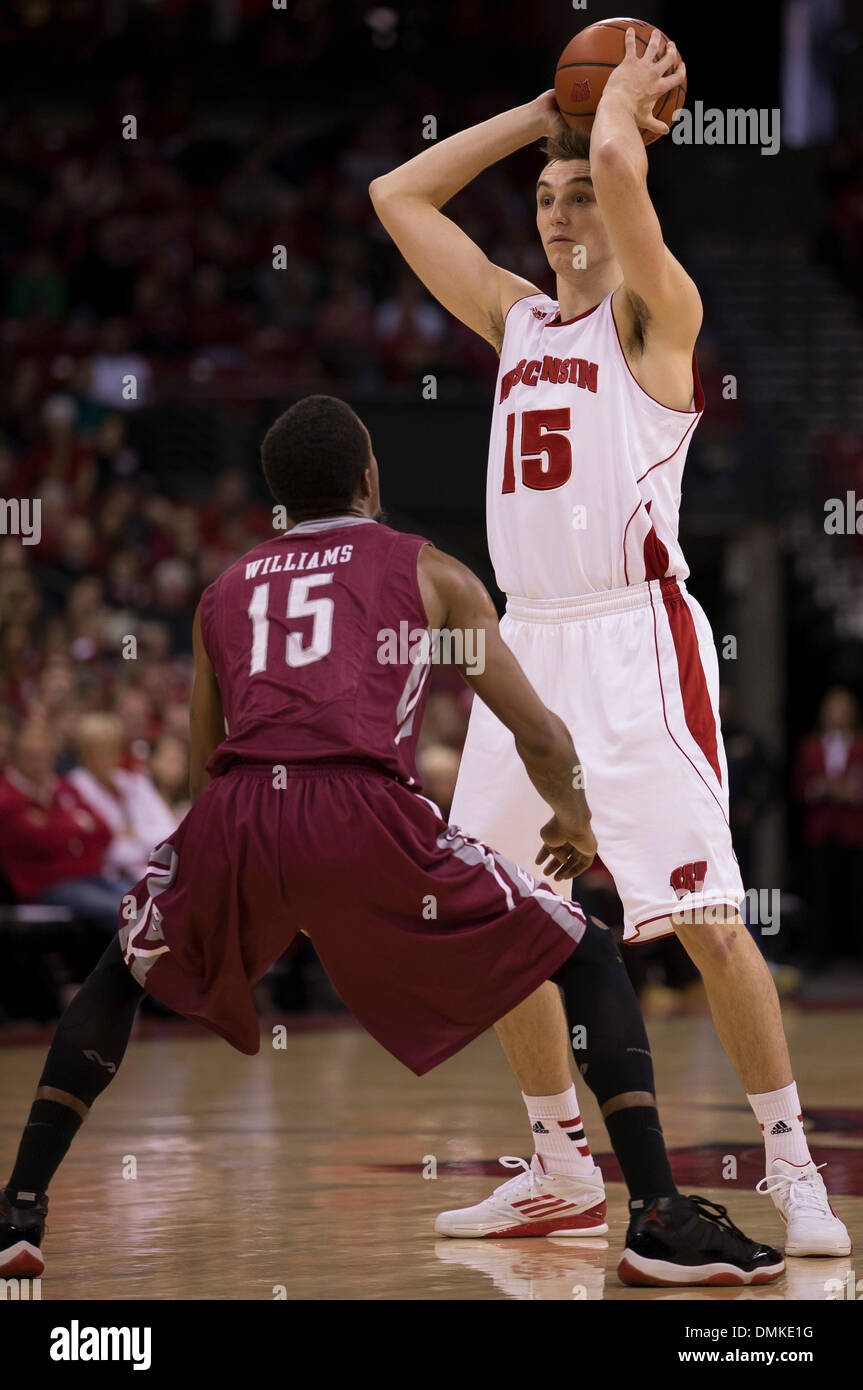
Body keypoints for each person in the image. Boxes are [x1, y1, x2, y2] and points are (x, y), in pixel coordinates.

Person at [0, 396, 783, 1289]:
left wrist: (258, 884)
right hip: (360, 808)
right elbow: (542, 738)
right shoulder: (428, 570)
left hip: (237, 814)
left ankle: (18, 1209)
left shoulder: (223, 590)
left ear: (277, 501)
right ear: (370, 479)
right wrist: (572, 819)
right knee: (588, 957)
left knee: (118, 971)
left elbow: (200, 769)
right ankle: (655, 1216)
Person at [369, 27, 850, 1256]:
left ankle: (792, 1171)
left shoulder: (656, 314)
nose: (556, 209)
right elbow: (395, 194)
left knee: (704, 914)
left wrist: (615, 122)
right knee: (495, 914)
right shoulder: (514, 319)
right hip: (526, 650)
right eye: (542, 196)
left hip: (635, 640)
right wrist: (543, 117)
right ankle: (555, 1162)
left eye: (576, 190)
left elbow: (629, 186)